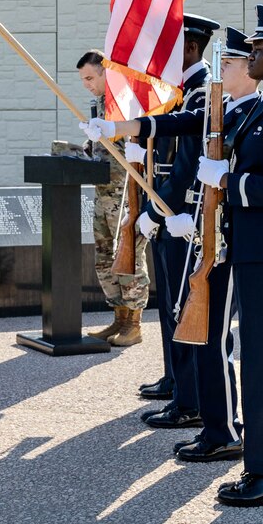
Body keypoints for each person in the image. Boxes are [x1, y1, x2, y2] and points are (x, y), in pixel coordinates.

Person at [84, 4, 263, 507]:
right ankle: (261, 468)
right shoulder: (260, 105)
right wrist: (125, 130)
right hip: (251, 247)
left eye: (260, 49)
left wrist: (228, 182)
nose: (251, 55)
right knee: (252, 358)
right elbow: (193, 122)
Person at [173, 25, 260, 464]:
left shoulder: (254, 112)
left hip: (228, 239)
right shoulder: (222, 108)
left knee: (213, 338)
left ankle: (224, 430)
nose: (220, 70)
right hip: (207, 232)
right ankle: (215, 427)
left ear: (249, 68)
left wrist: (222, 179)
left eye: (229, 63)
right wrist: (124, 126)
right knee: (204, 336)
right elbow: (181, 123)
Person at [135, 15, 219, 430]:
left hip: (181, 212)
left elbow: (186, 165)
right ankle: (176, 379)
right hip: (167, 207)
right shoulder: (180, 90)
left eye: (168, 45)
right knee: (169, 302)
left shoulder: (202, 92)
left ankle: (189, 400)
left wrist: (155, 211)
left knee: (181, 305)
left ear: (189, 47)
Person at [76, 50, 149, 347]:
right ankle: (119, 317)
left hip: (126, 194)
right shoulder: (101, 105)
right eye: (83, 80)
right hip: (103, 193)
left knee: (128, 256)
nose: (87, 85)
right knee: (105, 257)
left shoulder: (126, 102)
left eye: (90, 78)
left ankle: (134, 323)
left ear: (106, 72)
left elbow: (138, 142)